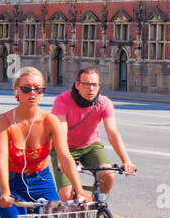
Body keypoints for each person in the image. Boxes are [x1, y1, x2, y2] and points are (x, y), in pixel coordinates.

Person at [0, 66, 90, 218]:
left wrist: (80, 190)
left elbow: (65, 157)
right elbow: (1, 161)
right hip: (13, 184)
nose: (32, 93)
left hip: (42, 182)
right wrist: (5, 192)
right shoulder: (3, 121)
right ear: (16, 89)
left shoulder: (50, 120)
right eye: (26, 88)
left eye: (38, 89)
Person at [50, 67, 137, 201]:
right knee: (66, 195)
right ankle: (76, 201)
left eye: (94, 85)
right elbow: (61, 132)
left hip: (90, 145)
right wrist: (63, 158)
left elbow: (112, 132)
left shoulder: (104, 103)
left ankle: (93, 209)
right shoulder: (62, 100)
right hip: (65, 147)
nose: (91, 88)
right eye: (86, 84)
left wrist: (126, 160)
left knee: (107, 175)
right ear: (77, 85)